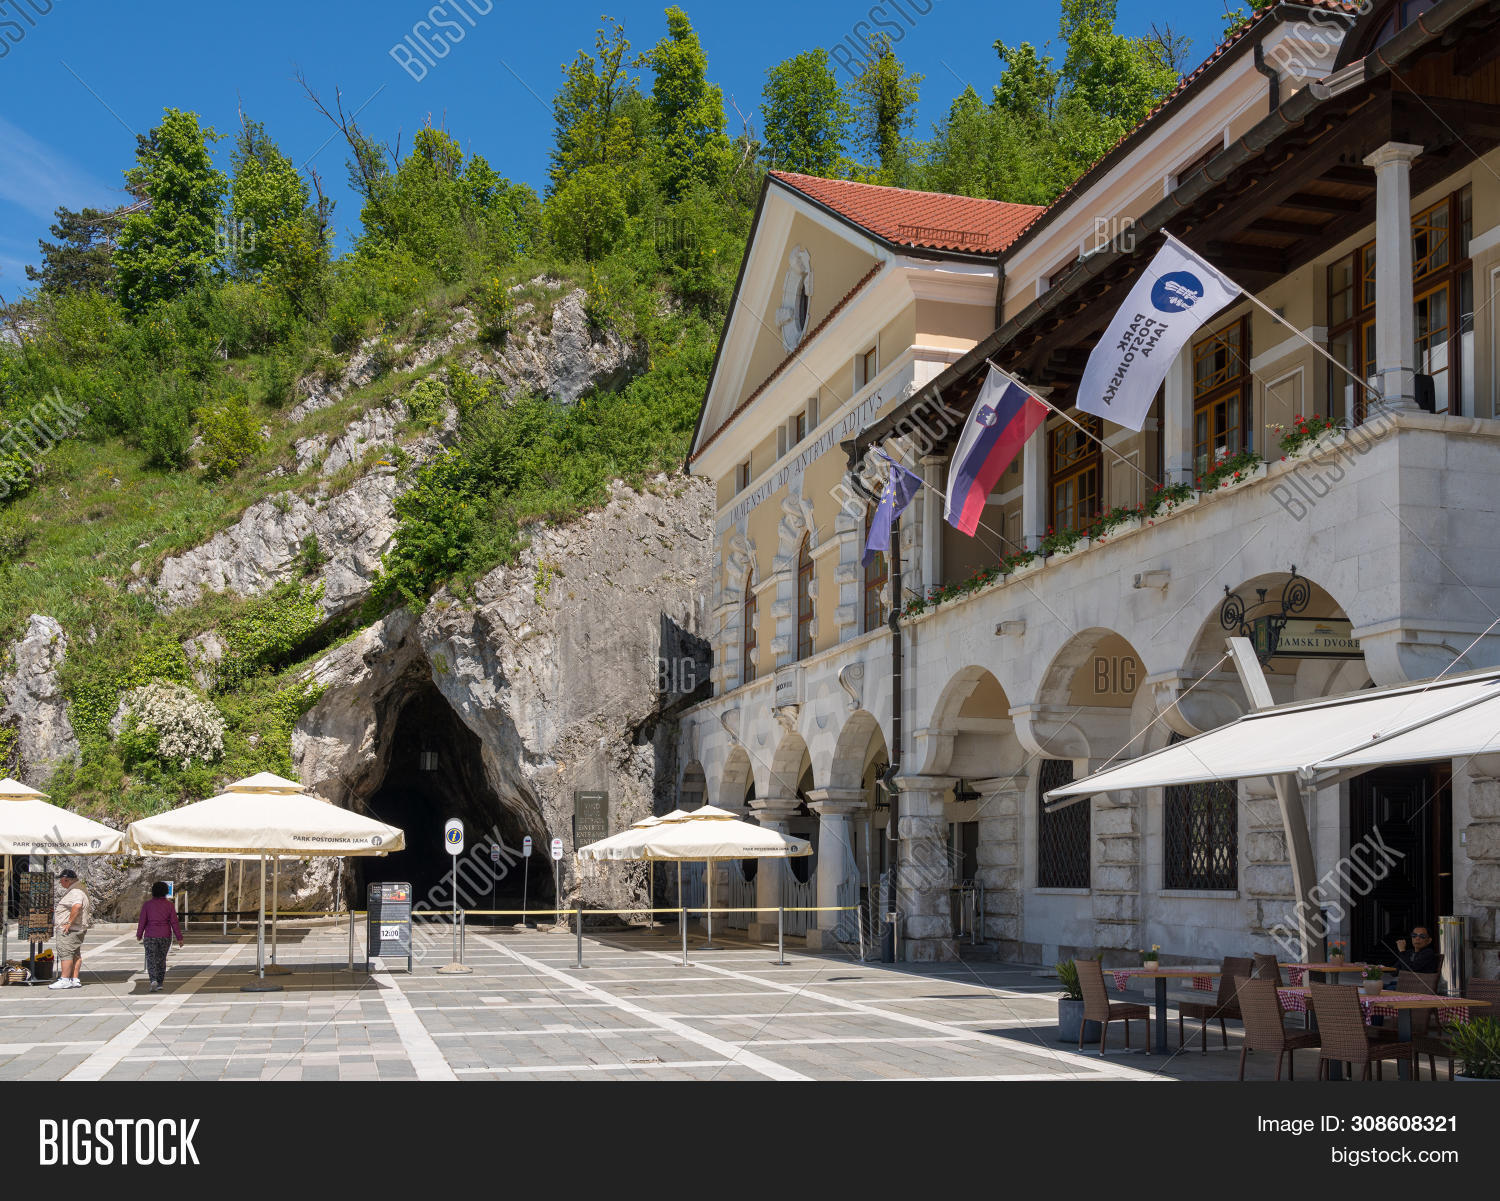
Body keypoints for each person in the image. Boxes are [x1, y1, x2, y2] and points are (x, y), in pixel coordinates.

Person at [135, 882, 183, 992]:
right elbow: (174, 923)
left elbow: (142, 921)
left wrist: (139, 934)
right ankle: (160, 982)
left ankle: (153, 980)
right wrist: (179, 938)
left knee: (151, 959)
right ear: (166, 891)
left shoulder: (147, 905)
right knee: (161, 960)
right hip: (165, 935)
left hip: (150, 935)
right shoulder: (169, 905)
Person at [48, 869, 90, 990]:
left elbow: (77, 906)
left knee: (65, 953)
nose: (61, 884)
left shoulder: (75, 891)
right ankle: (75, 979)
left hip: (70, 929)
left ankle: (65, 979)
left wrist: (68, 923)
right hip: (77, 928)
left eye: (61, 881)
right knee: (75, 954)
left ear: (66, 880)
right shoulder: (79, 889)